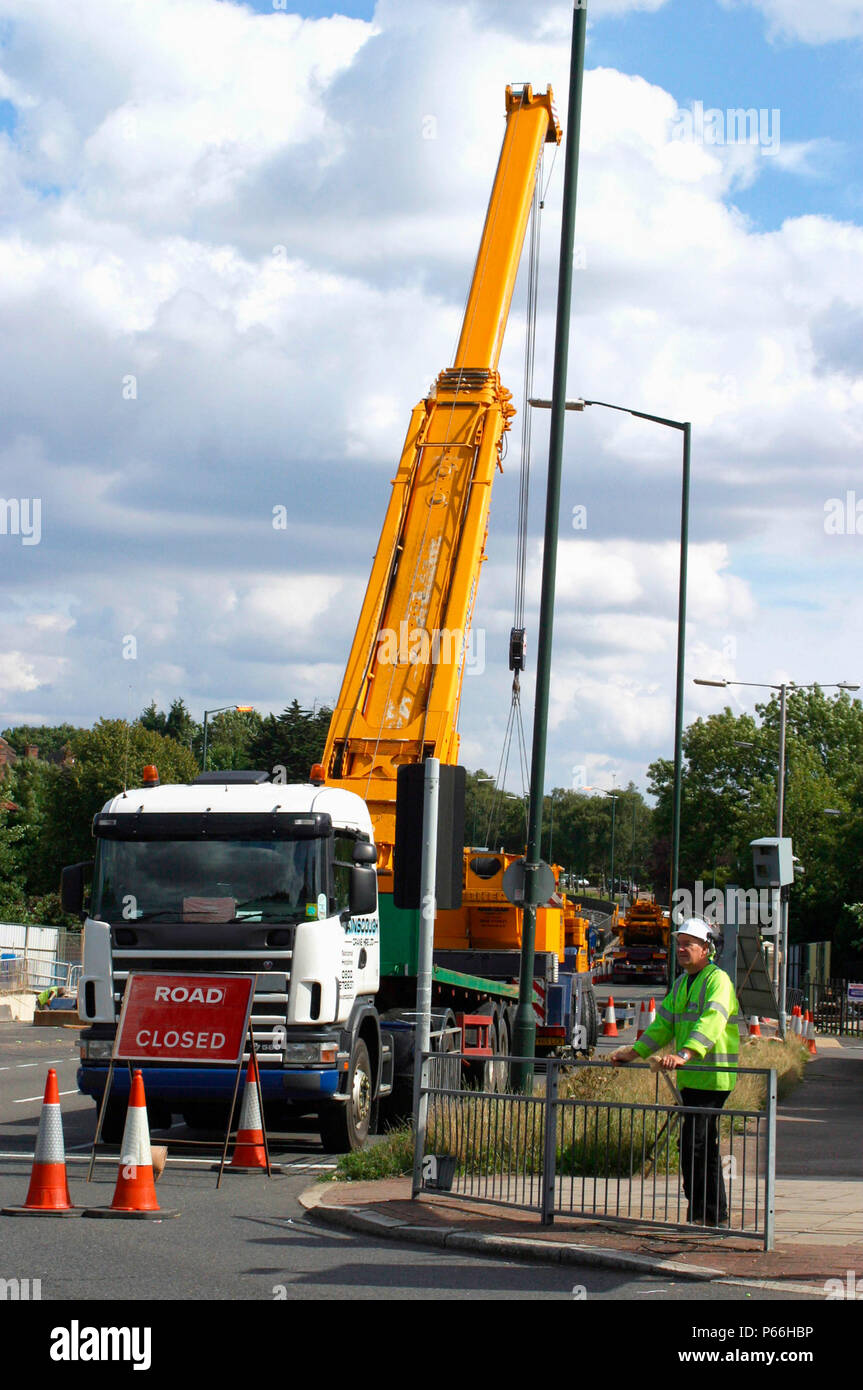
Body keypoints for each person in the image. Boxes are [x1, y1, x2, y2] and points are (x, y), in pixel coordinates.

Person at [611, 917, 740, 1225]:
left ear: (706, 949)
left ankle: (704, 1214)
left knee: (695, 1145)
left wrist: (685, 1053)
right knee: (702, 1146)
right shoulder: (683, 983)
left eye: (688, 945)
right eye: (679, 944)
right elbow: (662, 1025)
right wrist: (634, 1052)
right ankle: (710, 1215)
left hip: (713, 1076)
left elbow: (712, 1020)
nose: (681, 949)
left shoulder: (717, 980)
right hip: (692, 1077)